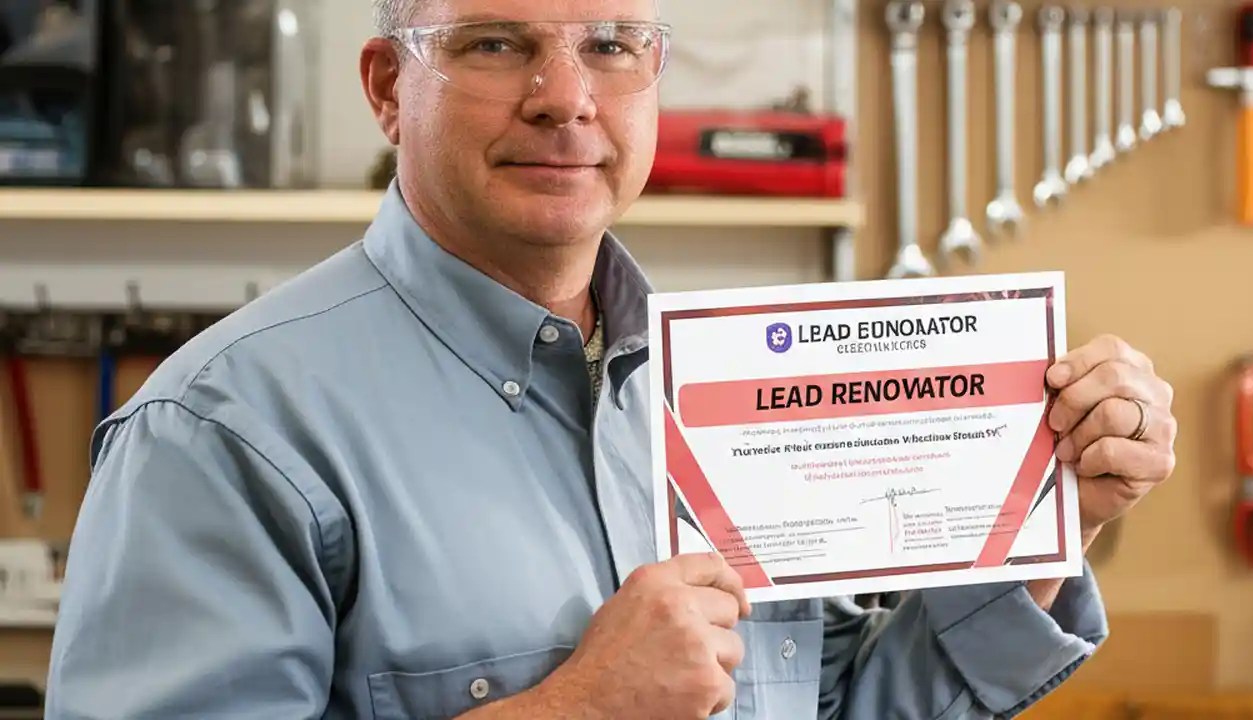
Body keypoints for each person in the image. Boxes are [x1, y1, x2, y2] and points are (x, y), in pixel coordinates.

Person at [44, 0, 1178, 717]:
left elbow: (835, 702)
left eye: (610, 46)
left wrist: (1038, 522)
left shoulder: (715, 396)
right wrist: (577, 710)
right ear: (390, 86)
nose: (564, 99)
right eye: (497, 44)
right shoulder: (223, 430)